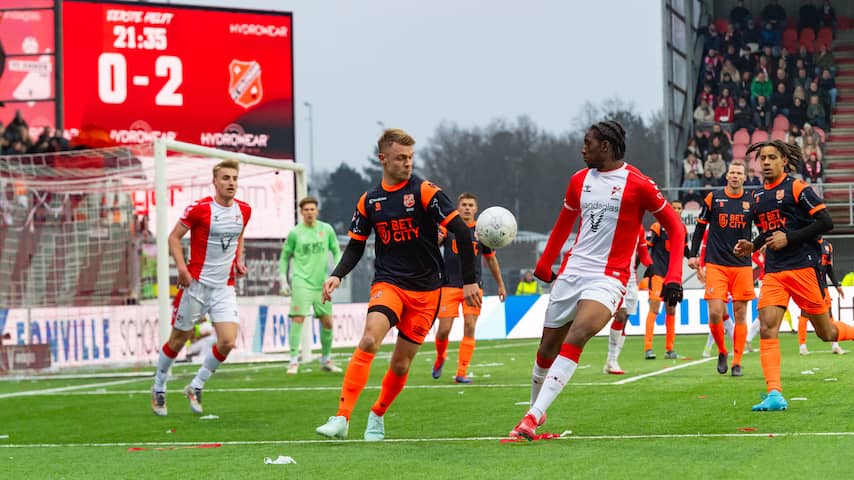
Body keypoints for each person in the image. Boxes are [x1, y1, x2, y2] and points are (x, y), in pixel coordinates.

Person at [509, 120, 685, 440]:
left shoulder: (639, 184)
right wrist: (546, 263)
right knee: (546, 349)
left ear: (605, 146)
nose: (582, 148)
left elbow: (676, 228)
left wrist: (674, 277)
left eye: (587, 143)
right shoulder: (578, 181)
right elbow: (564, 224)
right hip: (572, 271)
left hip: (610, 277)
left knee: (579, 333)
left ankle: (532, 417)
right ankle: (534, 413)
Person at [314, 128, 480, 441]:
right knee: (368, 340)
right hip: (389, 282)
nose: (407, 163)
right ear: (383, 159)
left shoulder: (425, 192)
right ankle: (342, 417)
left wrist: (469, 280)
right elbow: (355, 245)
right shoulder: (370, 201)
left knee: (401, 364)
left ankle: (377, 414)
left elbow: (461, 230)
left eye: (410, 158)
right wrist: (337, 273)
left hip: (428, 290)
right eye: (400, 158)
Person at [733, 140, 853, 411]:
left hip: (803, 267)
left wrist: (790, 239)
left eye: (771, 157)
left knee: (827, 333)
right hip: (774, 271)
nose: (765, 162)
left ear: (783, 161)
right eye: (762, 157)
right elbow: (769, 230)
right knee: (767, 327)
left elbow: (826, 222)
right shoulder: (757, 197)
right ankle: (774, 393)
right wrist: (754, 244)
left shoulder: (797, 188)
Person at [150, 159, 251, 416]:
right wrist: (182, 269)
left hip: (223, 288)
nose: (231, 183)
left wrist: (238, 259)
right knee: (178, 339)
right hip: (196, 285)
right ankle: (158, 386)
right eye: (226, 178)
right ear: (215, 181)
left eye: (234, 179)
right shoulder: (200, 209)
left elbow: (238, 234)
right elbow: (173, 237)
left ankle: (196, 385)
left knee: (228, 341)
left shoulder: (244, 210)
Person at [432, 192, 506, 383]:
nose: (467, 208)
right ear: (457, 208)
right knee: (443, 330)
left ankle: (461, 372)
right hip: (448, 285)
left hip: (473, 287)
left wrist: (500, 285)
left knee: (470, 325)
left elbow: (491, 260)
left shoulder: (483, 232)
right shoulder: (448, 228)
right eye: (463, 204)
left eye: (470, 205)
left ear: (476, 209)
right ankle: (440, 357)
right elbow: (433, 247)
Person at [688, 162, 754, 376]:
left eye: (739, 173)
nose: (735, 176)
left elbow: (763, 231)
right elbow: (699, 227)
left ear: (745, 177)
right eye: (732, 172)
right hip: (716, 264)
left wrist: (759, 247)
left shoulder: (751, 202)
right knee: (715, 312)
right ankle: (722, 351)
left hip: (742, 265)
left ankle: (737, 361)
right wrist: (692, 254)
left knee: (741, 314)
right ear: (727, 176)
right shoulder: (713, 198)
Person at [279, 196, 342, 375]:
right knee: (298, 318)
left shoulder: (326, 229)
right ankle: (293, 361)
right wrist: (283, 280)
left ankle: (326, 359)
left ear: (317, 211)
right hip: (301, 283)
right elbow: (284, 257)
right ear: (301, 212)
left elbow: (337, 251)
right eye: (306, 210)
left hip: (321, 284)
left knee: (328, 322)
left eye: (312, 209)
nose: (309, 212)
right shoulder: (295, 233)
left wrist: (338, 273)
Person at [603, 225, 651, 375]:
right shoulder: (613, 224)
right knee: (621, 314)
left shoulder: (639, 228)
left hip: (630, 279)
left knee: (624, 321)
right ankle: (611, 360)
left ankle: (612, 361)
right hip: (613, 274)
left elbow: (643, 252)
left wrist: (651, 265)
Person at [643, 200, 688, 360]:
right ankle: (648, 348)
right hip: (658, 273)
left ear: (682, 211)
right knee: (654, 308)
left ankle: (670, 349)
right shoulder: (658, 227)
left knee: (671, 310)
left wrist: (695, 261)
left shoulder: (682, 229)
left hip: (673, 277)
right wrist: (648, 265)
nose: (676, 210)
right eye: (673, 208)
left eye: (679, 208)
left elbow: (686, 250)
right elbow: (647, 246)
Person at [797, 238, 848, 355]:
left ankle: (835, 345)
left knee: (829, 314)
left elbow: (829, 268)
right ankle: (802, 346)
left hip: (823, 286)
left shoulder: (827, 246)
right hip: (809, 285)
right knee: (804, 314)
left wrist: (836, 285)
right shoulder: (806, 243)